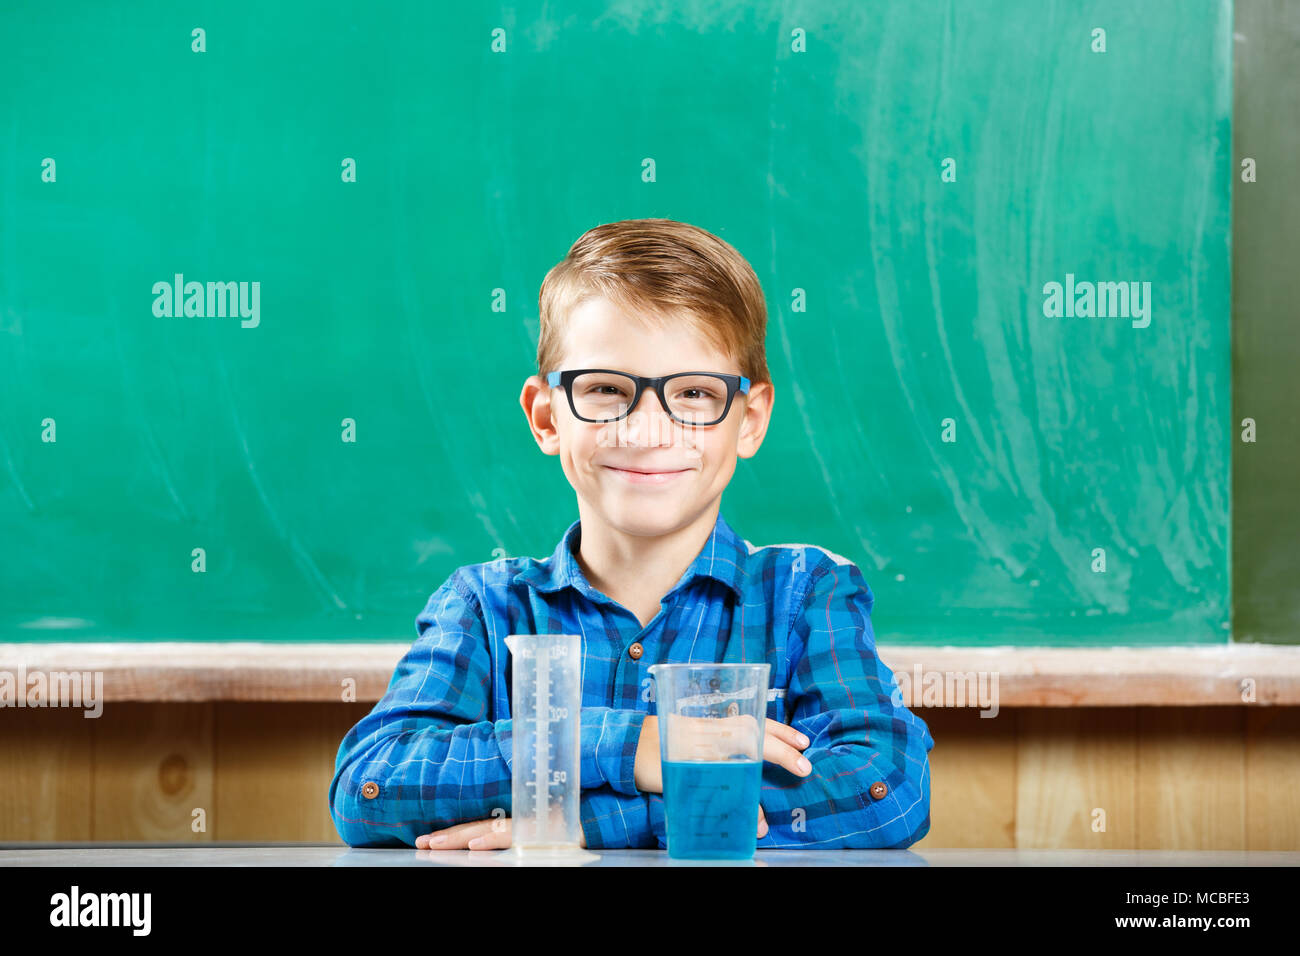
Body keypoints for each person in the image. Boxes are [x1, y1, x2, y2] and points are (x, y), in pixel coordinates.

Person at [329, 218, 934, 849]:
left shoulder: (803, 594)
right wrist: (634, 746)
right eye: (606, 390)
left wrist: (581, 824)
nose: (646, 431)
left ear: (749, 420)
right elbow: (371, 788)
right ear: (546, 418)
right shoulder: (485, 607)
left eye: (696, 393)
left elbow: (886, 790)